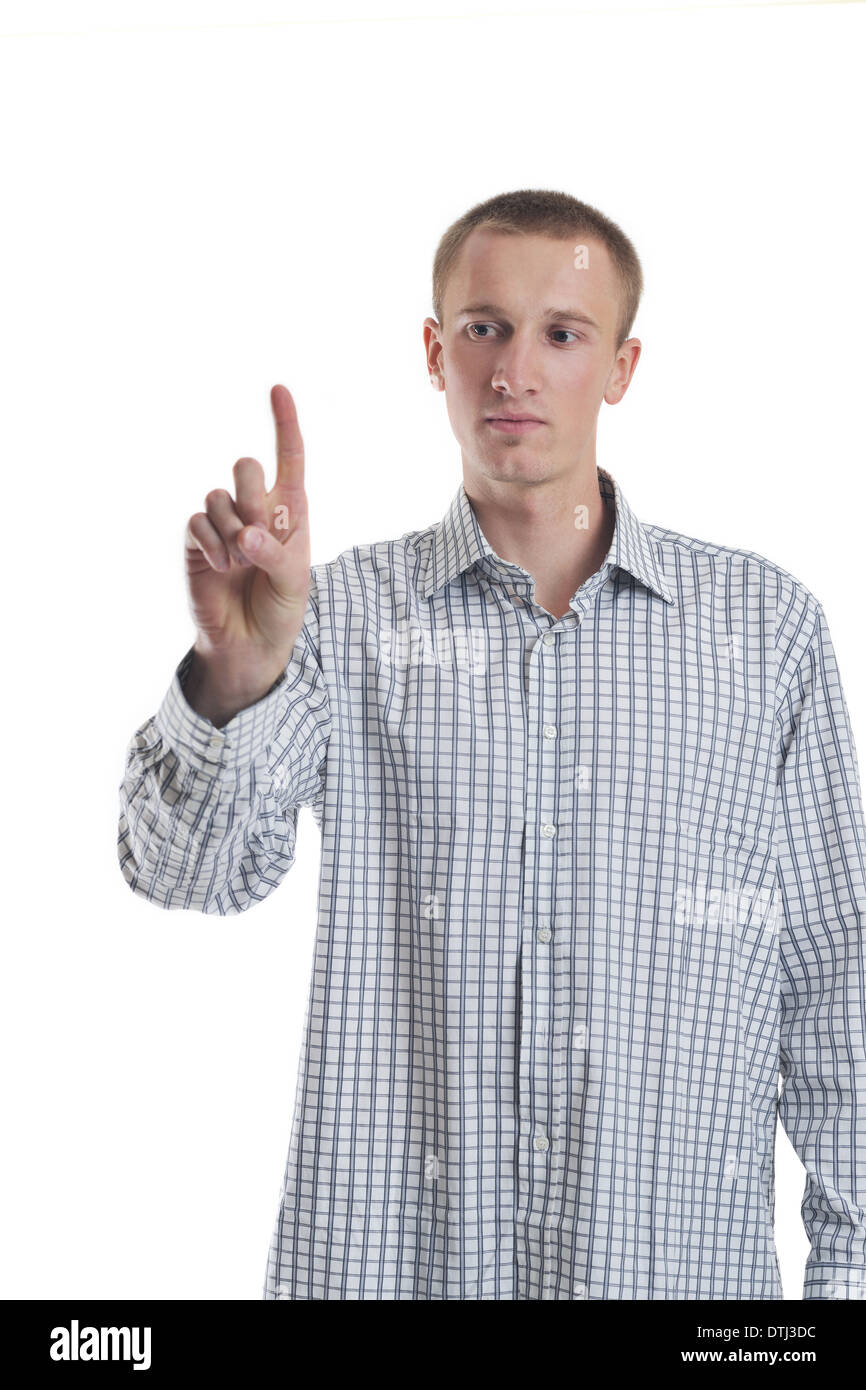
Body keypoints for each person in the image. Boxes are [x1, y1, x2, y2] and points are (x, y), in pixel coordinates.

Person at [117, 189, 866, 1301]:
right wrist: (238, 671)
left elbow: (833, 987)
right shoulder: (339, 616)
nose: (514, 369)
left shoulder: (762, 632)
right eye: (483, 328)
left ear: (619, 366)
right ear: (434, 351)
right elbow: (184, 872)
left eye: (561, 333)